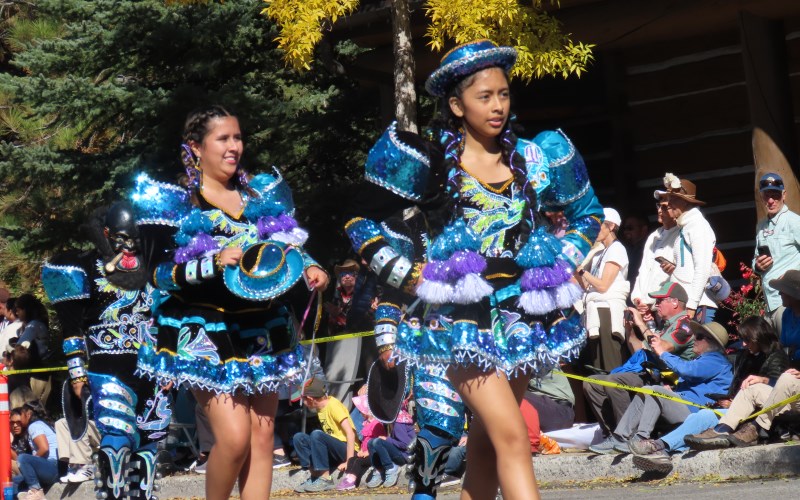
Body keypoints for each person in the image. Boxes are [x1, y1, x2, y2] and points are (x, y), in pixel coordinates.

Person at [393, 40, 602, 500]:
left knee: (488, 447)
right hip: (460, 323)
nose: (498, 106)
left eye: (504, 94)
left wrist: (558, 263)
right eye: (484, 96)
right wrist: (408, 273)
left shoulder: (532, 156)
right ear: (456, 104)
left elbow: (588, 213)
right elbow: (360, 220)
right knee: (512, 438)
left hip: (520, 319)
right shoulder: (431, 164)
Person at [131, 105, 329, 500]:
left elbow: (283, 248)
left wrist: (309, 266)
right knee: (235, 439)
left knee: (263, 436)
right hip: (205, 332)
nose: (234, 146)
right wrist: (211, 263)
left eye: (237, 137)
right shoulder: (175, 205)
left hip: (264, 328)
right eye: (223, 138)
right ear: (195, 148)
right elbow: (156, 275)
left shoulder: (261, 197)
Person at [41, 201, 173, 500]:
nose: (128, 247)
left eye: (134, 240)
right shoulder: (86, 268)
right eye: (121, 239)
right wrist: (76, 373)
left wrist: (169, 362)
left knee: (150, 441)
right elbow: (71, 326)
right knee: (116, 439)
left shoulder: (155, 269)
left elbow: (169, 321)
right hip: (108, 369)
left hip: (153, 369)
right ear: (106, 233)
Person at [629, 315, 789, 472]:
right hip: (736, 407)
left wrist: (762, 381)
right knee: (699, 417)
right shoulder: (746, 356)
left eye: (748, 340)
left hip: (756, 415)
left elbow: (779, 390)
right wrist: (731, 399)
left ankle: (658, 446)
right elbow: (737, 388)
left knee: (702, 416)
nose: (744, 344)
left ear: (758, 337)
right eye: (743, 339)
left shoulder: (776, 357)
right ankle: (662, 452)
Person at [589, 321, 732, 454]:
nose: (694, 338)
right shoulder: (705, 360)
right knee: (646, 390)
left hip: (697, 412)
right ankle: (620, 437)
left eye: (700, 337)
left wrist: (663, 353)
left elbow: (687, 370)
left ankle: (640, 438)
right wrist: (674, 391)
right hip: (687, 407)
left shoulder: (716, 359)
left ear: (712, 343)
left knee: (656, 391)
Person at [583, 282, 694, 437]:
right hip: (651, 375)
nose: (656, 305)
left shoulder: (685, 325)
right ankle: (612, 433)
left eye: (660, 300)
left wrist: (641, 323)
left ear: (675, 302)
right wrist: (630, 330)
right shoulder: (665, 326)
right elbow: (639, 351)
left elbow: (661, 347)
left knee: (615, 381)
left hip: (670, 383)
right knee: (592, 383)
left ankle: (626, 436)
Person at [654, 174, 717, 323]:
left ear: (685, 202)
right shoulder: (685, 227)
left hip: (699, 305)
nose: (668, 204)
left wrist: (692, 305)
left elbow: (702, 268)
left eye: (673, 199)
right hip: (688, 304)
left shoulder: (698, 226)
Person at [577, 207, 631, 371]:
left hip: (607, 309)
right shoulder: (599, 253)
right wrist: (574, 270)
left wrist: (582, 271)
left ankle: (616, 395)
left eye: (599, 225)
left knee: (609, 362)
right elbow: (588, 286)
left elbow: (602, 285)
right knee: (597, 364)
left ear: (611, 226)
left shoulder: (617, 249)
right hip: (595, 309)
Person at [292, 378, 360, 492]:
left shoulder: (333, 406)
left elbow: (350, 433)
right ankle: (315, 476)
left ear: (310, 398)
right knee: (299, 438)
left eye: (302, 399)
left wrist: (349, 461)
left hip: (347, 450)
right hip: (333, 451)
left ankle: (325, 479)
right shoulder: (320, 408)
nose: (302, 403)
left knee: (317, 435)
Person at [754, 173, 800, 332]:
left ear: (784, 195)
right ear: (761, 197)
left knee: (791, 350)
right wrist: (758, 266)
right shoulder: (761, 226)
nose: (771, 200)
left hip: (788, 302)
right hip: (769, 303)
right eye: (767, 196)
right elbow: (755, 260)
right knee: (775, 353)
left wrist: (793, 277)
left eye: (775, 195)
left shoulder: (794, 221)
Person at [630, 196, 679, 317]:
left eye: (664, 207)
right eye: (658, 206)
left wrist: (649, 301)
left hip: (667, 305)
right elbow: (644, 269)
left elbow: (664, 275)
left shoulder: (680, 234)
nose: (659, 211)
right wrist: (637, 298)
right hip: (646, 307)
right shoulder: (654, 235)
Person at [337, 394, 386, 490]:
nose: (360, 413)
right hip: (364, 453)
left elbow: (380, 440)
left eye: (361, 411)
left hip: (373, 454)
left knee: (359, 462)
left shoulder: (377, 424)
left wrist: (368, 452)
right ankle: (348, 477)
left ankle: (352, 479)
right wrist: (361, 450)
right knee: (351, 459)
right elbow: (364, 441)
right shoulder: (367, 423)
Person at [12, 294, 53, 407]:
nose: (16, 313)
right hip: (38, 374)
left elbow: (20, 346)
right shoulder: (30, 325)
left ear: (26, 310)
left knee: (31, 408)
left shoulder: (34, 325)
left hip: (37, 377)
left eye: (19, 310)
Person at [13, 401, 58, 500]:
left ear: (28, 414)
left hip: (53, 466)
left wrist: (30, 462)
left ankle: (36, 491)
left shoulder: (34, 426)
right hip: (52, 468)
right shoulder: (42, 424)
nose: (20, 419)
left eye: (21, 414)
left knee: (23, 459)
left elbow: (44, 448)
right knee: (15, 482)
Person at [54, 417, 99, 484]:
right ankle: (74, 465)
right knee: (61, 423)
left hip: (105, 426)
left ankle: (85, 467)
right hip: (90, 422)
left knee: (77, 420)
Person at [769, 270, 800, 366]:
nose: (779, 294)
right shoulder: (787, 314)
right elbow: (783, 344)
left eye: (783, 291)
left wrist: (792, 353)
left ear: (793, 295)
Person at [619, 212, 650, 288]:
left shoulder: (649, 249)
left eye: (630, 228)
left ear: (643, 230)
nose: (626, 232)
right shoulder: (624, 248)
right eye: (624, 229)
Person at [10, 408, 32, 476]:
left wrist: (5, 447)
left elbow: (19, 460)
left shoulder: (29, 435)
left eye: (18, 422)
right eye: (12, 423)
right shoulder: (16, 437)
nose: (15, 425)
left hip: (29, 470)